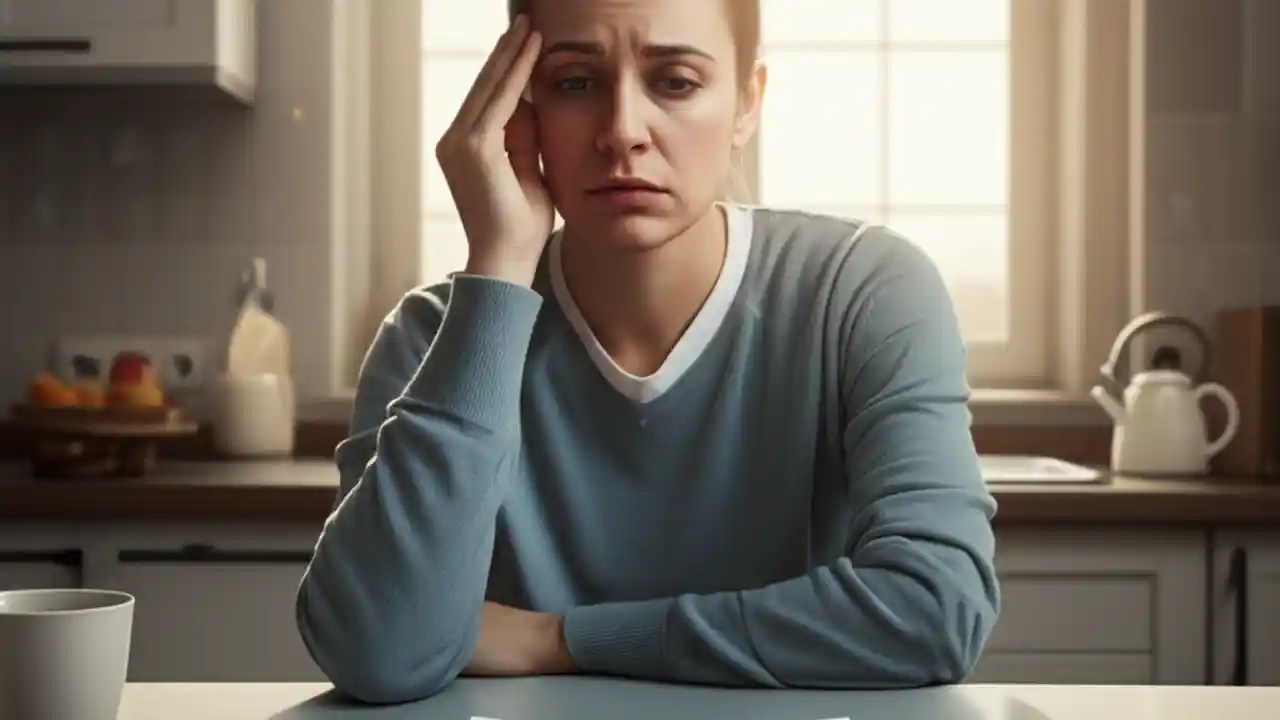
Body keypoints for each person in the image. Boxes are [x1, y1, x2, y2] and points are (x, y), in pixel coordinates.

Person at [296, 0, 999, 705]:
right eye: (574, 83)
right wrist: (500, 265)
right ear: (519, 106)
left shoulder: (863, 291)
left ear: (746, 104)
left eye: (676, 82)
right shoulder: (435, 334)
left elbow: (934, 610)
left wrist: (559, 639)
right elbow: (376, 651)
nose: (623, 133)